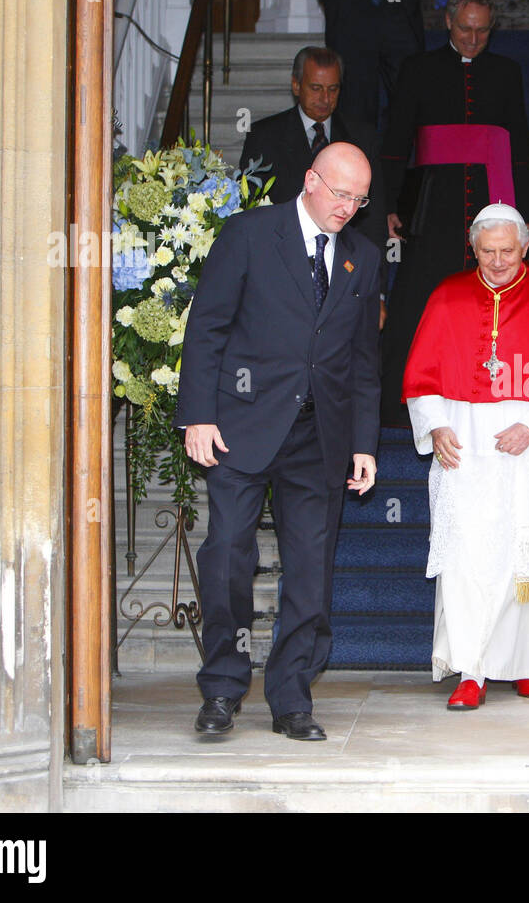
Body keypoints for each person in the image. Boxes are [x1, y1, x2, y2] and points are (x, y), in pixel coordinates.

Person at [176, 142, 382, 741]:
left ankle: (292, 695)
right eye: (340, 194)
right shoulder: (249, 233)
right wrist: (198, 415)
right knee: (227, 561)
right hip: (240, 429)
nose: (348, 208)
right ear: (311, 179)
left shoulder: (364, 259)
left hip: (321, 437)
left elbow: (363, 359)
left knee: (310, 573)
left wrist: (364, 442)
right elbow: (207, 327)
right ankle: (221, 687)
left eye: (359, 199)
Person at [403, 204, 529, 710]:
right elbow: (422, 377)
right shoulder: (448, 296)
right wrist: (437, 424)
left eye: (506, 252)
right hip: (468, 441)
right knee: (472, 555)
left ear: (526, 245)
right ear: (474, 247)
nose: (495, 263)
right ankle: (474, 666)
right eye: (486, 252)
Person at [379, 0, 529, 426]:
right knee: (420, 297)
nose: (472, 39)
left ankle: (485, 394)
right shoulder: (417, 68)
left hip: (492, 197)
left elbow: (520, 146)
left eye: (482, 32)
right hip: (434, 203)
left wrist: (527, 215)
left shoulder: (507, 72)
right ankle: (405, 400)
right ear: (448, 21)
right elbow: (396, 142)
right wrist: (392, 203)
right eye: (465, 29)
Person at [238, 46, 387, 253]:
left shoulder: (362, 137)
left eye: (333, 89)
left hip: (344, 259)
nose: (325, 98)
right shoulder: (265, 136)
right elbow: (250, 211)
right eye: (316, 88)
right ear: (296, 85)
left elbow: (374, 217)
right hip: (281, 255)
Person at [307, 0, 426, 131]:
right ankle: (359, 156)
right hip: (351, 6)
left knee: (409, 94)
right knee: (355, 103)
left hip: (397, 1)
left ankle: (399, 155)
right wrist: (338, 2)